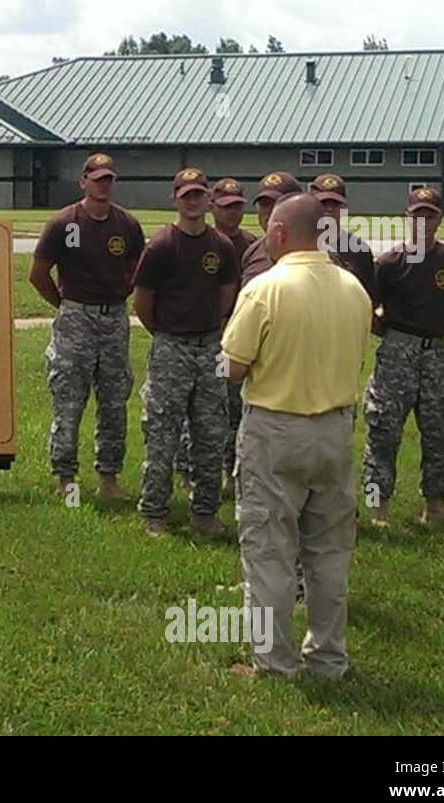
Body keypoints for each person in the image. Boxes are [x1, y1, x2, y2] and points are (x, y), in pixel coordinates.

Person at [221, 193, 372, 678]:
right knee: (328, 553)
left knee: (270, 549)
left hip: (275, 428)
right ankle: (328, 657)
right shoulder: (354, 289)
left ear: (281, 232)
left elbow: (235, 366)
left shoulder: (266, 288)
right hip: (334, 430)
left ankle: (274, 661)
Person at [29, 152, 144, 500]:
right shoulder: (65, 223)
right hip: (75, 318)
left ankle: (108, 479)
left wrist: (119, 296)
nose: (103, 185)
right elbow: (38, 273)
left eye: (109, 179)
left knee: (113, 401)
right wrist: (65, 305)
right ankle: (66, 479)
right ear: (83, 182)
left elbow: (137, 270)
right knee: (69, 400)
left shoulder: (126, 225)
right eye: (97, 179)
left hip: (113, 320)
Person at [132, 168, 237, 536]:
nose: (193, 202)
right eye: (186, 195)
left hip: (210, 349)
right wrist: (167, 334)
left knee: (211, 433)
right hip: (171, 348)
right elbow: (142, 301)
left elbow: (226, 296)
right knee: (162, 434)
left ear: (209, 198)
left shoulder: (221, 246)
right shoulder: (161, 246)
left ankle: (205, 513)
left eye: (199, 195)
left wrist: (207, 329)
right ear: (174, 199)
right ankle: (155, 513)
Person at [362, 186, 444, 528]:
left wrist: (429, 334)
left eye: (430, 214)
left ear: (440, 219)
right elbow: (368, 309)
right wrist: (395, 336)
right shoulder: (390, 263)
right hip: (397, 352)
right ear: (407, 218)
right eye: (417, 214)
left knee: (438, 428)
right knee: (384, 429)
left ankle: (435, 506)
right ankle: (378, 509)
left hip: (435, 352)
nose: (424, 221)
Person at [176, 177, 255, 493]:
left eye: (237, 207)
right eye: (226, 207)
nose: (232, 214)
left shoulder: (251, 245)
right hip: (206, 335)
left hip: (240, 338)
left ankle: (227, 471)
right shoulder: (199, 241)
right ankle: (186, 471)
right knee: (193, 407)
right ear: (212, 206)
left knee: (233, 406)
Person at [310, 174, 376, 301]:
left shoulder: (359, 250)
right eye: (323, 203)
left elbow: (369, 298)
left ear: (344, 207)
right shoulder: (300, 244)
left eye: (335, 204)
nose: (329, 209)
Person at [238, 172, 302, 285]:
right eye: (264, 204)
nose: (270, 211)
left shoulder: (312, 254)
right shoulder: (252, 252)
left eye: (277, 204)